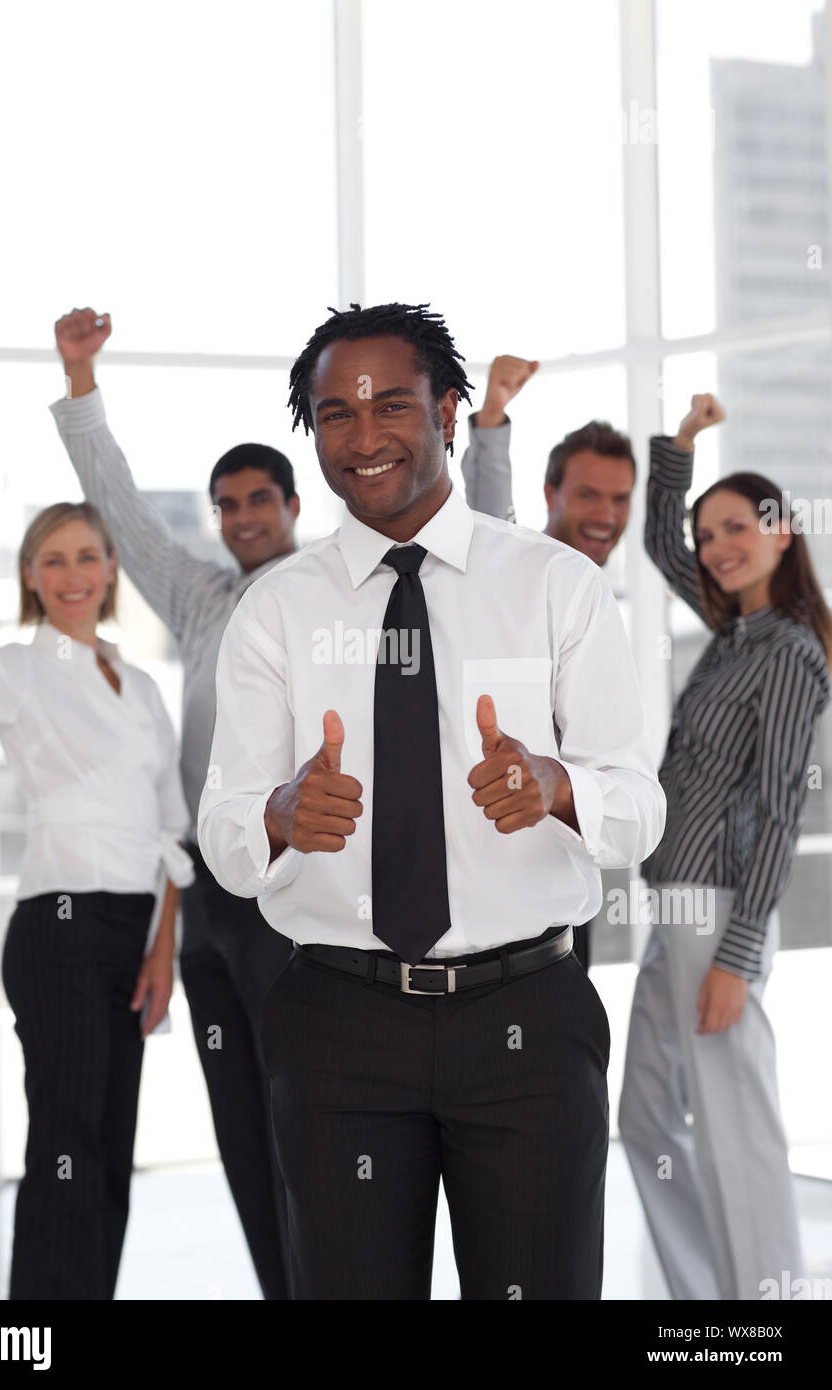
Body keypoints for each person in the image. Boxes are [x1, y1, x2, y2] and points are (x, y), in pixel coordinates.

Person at [198, 301, 666, 1300]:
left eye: (391, 406)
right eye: (333, 416)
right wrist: (278, 814)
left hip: (525, 1023)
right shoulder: (276, 609)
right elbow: (225, 838)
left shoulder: (555, 586)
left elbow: (636, 808)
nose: (363, 438)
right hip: (335, 1026)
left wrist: (557, 788)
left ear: (448, 409)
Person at [50, 305, 519, 1300]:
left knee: (307, 1132)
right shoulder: (201, 599)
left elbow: (486, 552)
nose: (241, 515)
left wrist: (489, 438)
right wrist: (81, 386)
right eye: (225, 504)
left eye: (258, 496)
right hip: (214, 905)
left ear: (294, 500)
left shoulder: (334, 593)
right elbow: (120, 507)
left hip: (294, 901)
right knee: (240, 1131)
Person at [0, 474, 194, 1300]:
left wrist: (161, 952)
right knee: (65, 1149)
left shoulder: (139, 685)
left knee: (108, 1150)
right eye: (54, 560)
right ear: (32, 576)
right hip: (58, 932)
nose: (74, 574)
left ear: (110, 568)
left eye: (89, 557)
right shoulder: (19, 671)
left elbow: (170, 829)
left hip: (132, 935)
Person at [618, 393, 831, 1301]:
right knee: (646, 1117)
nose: (714, 546)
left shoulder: (788, 651)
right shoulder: (736, 634)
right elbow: (662, 547)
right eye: (710, 533)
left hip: (719, 919)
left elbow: (782, 807)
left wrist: (738, 958)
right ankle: (709, 1303)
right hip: (676, 907)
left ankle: (762, 1316)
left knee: (736, 1129)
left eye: (736, 527)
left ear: (782, 533)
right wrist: (680, 446)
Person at [463, 357, 637, 968]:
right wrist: (491, 418)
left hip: (563, 864)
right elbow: (484, 517)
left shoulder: (600, 601)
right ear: (551, 494)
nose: (606, 514)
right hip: (479, 867)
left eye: (620, 498)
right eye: (588, 494)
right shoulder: (513, 570)